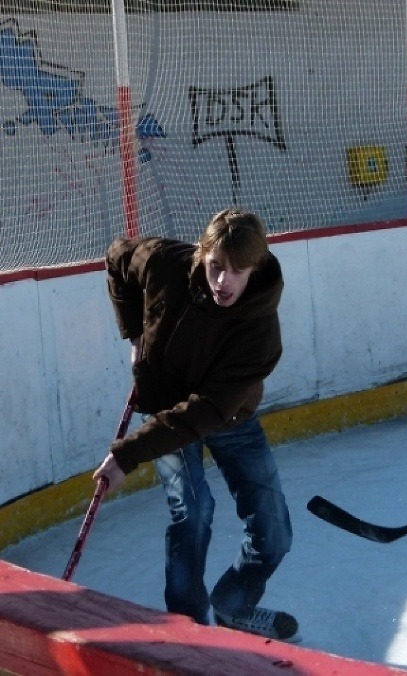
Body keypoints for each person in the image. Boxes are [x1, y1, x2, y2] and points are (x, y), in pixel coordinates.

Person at [93, 209, 296, 639]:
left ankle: (231, 604)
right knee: (194, 510)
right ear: (201, 254)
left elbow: (206, 412)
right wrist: (133, 334)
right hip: (165, 408)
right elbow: (116, 258)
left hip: (228, 415)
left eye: (236, 272)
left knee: (274, 531)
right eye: (215, 267)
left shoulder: (261, 333)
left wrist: (126, 454)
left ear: (254, 269)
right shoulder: (165, 262)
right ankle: (188, 634)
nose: (223, 282)